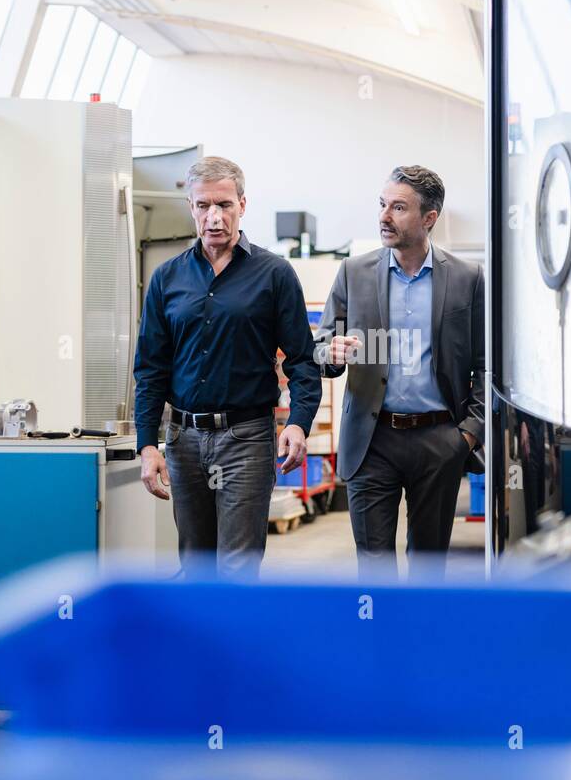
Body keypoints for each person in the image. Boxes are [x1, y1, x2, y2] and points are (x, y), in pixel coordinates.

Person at [134, 156, 320, 580]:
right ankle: (199, 648)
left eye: (224, 205)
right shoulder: (167, 279)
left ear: (242, 205)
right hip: (182, 440)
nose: (214, 217)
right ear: (191, 207)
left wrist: (299, 423)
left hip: (247, 440)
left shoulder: (274, 274)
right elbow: (150, 368)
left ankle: (236, 645)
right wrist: (147, 444)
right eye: (203, 206)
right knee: (196, 566)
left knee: (237, 568)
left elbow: (302, 360)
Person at [315, 165, 485, 581]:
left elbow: (486, 364)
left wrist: (467, 434)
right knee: (373, 566)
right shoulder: (354, 273)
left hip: (439, 440)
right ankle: (380, 642)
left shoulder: (466, 279)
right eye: (382, 205)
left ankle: (420, 644)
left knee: (429, 567)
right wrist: (331, 353)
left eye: (398, 207)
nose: (384, 217)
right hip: (373, 440)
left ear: (429, 218)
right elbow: (320, 347)